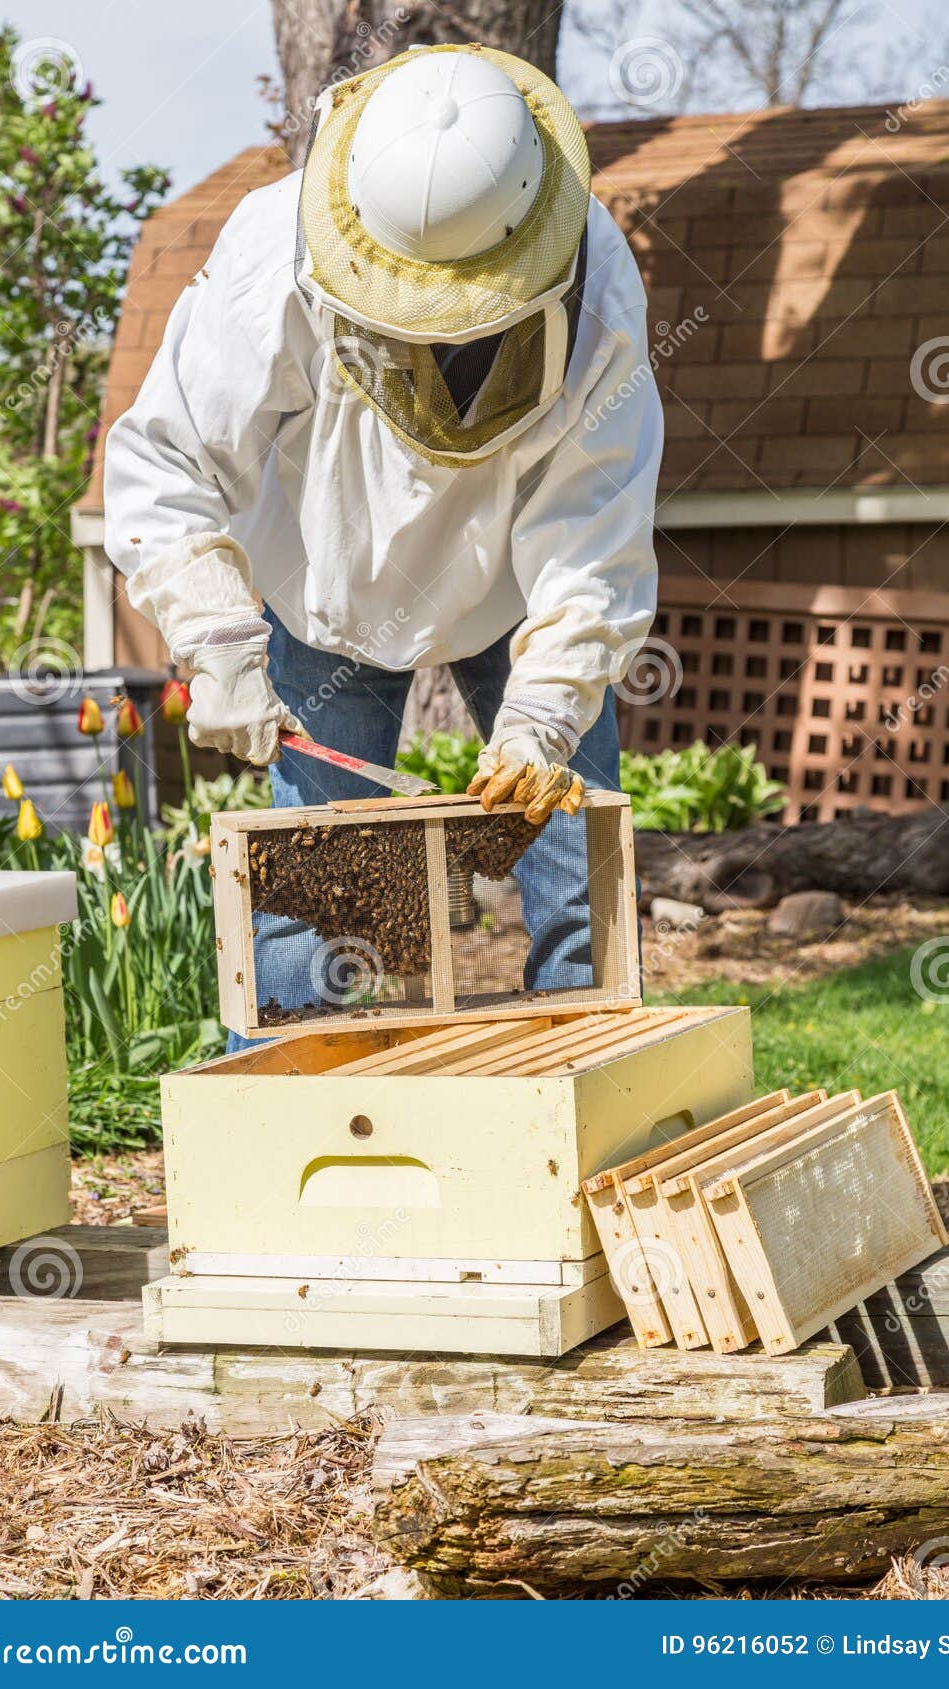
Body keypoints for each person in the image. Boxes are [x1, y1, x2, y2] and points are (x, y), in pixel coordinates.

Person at [104, 44, 662, 1047]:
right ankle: (290, 1133)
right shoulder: (269, 248)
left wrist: (543, 718)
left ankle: (589, 1099)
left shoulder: (601, 295)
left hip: (522, 595)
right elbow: (163, 460)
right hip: (329, 591)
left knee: (581, 882)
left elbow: (592, 534)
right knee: (304, 911)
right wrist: (219, 640)